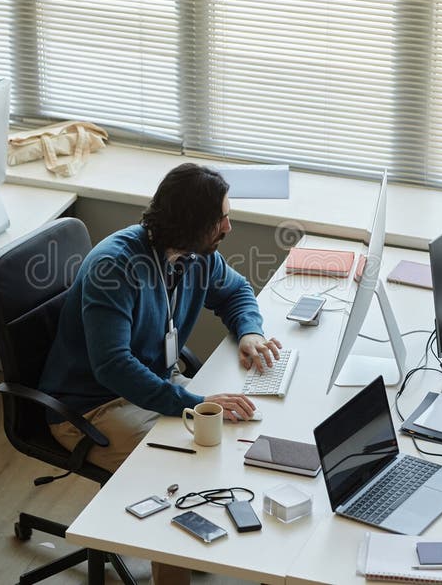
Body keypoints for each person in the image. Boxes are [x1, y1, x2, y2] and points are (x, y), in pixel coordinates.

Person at [39, 163, 281, 584]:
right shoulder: (114, 268)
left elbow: (238, 291)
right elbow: (113, 366)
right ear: (190, 224)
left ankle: (196, 548)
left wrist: (249, 332)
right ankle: (173, 555)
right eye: (219, 218)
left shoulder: (196, 255)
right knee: (180, 476)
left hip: (153, 389)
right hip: (92, 408)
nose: (229, 225)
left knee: (235, 433)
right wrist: (194, 403)